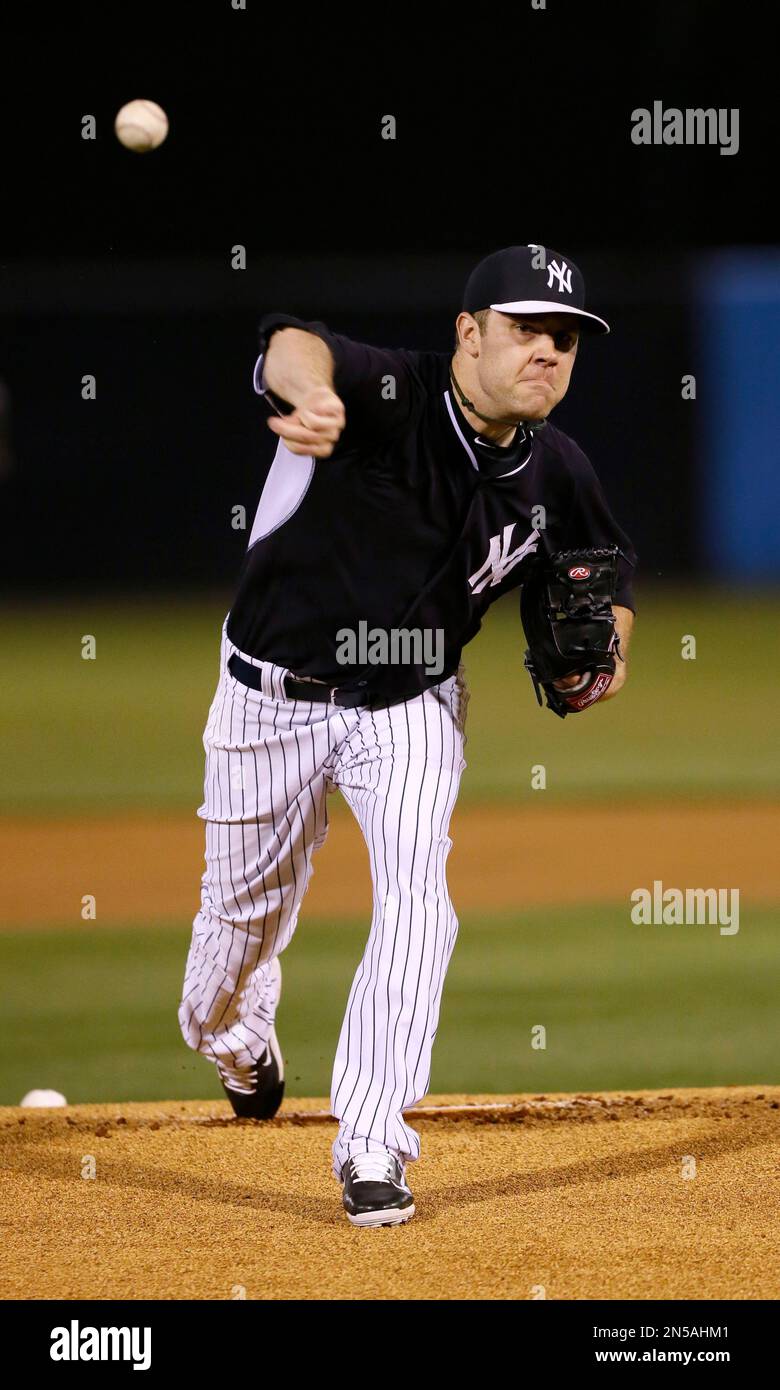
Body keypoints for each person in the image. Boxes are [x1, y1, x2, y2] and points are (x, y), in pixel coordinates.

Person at [178, 244, 637, 1227]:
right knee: (226, 947)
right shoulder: (390, 393)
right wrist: (311, 398)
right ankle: (237, 1040)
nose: (547, 353)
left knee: (421, 901)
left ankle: (374, 1140)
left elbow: (609, 577)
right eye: (525, 330)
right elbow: (289, 343)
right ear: (468, 335)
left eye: (565, 338)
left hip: (413, 706)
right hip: (272, 699)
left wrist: (606, 660)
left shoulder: (558, 470)